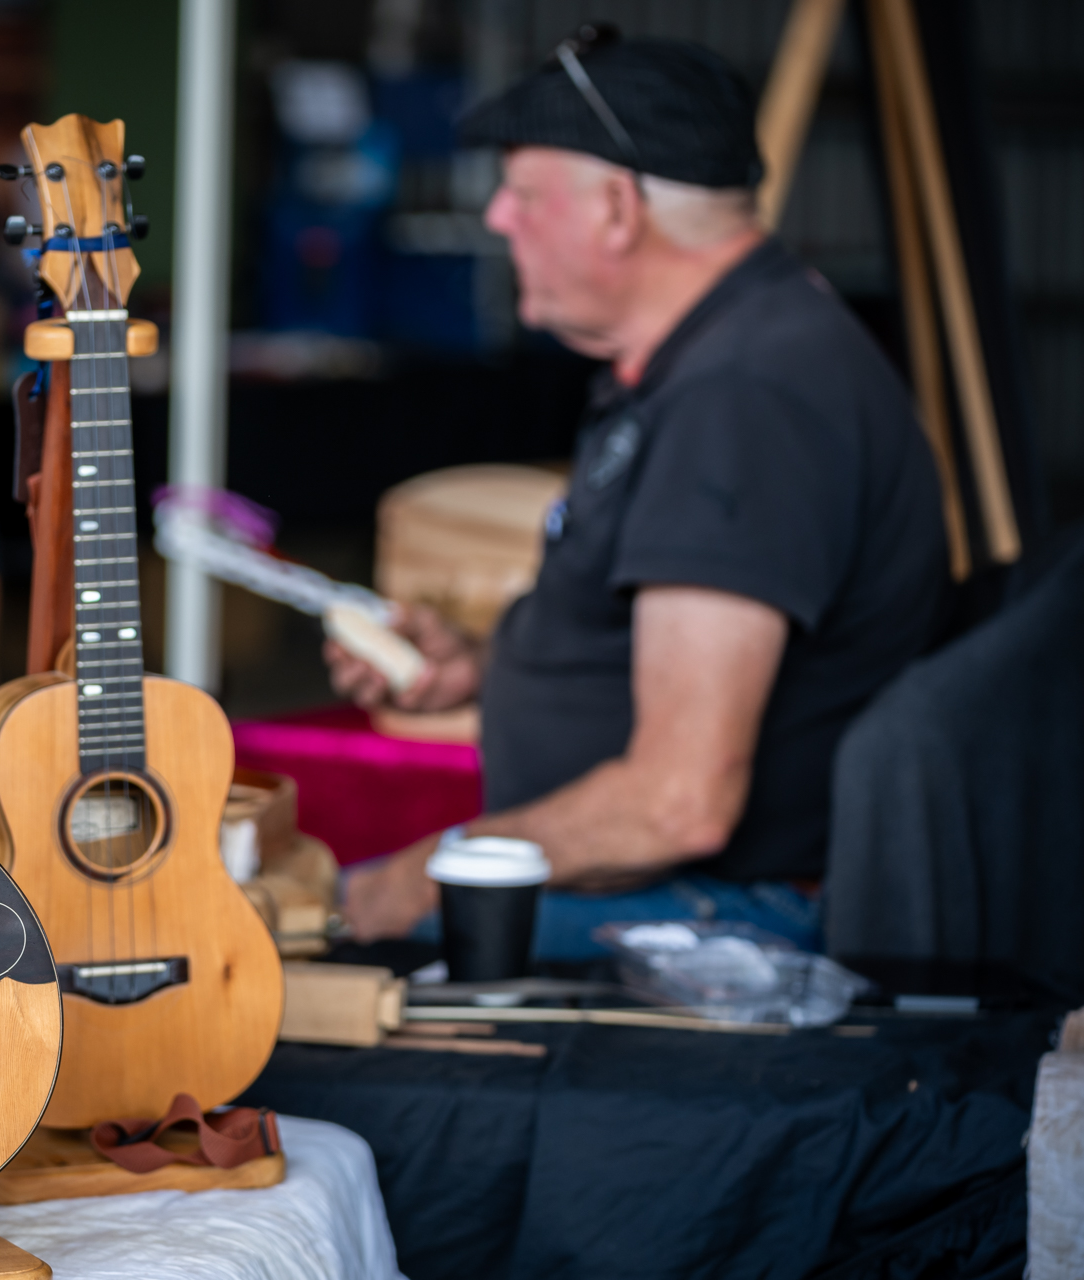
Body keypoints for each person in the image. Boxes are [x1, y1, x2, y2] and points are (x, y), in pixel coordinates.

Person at [330, 31, 948, 958]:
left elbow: (678, 803)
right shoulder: (710, 356)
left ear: (617, 208)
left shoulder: (743, 395)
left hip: (726, 924)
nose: (498, 217)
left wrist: (420, 876)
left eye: (524, 193)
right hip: (683, 897)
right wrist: (484, 668)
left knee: (285, 953)